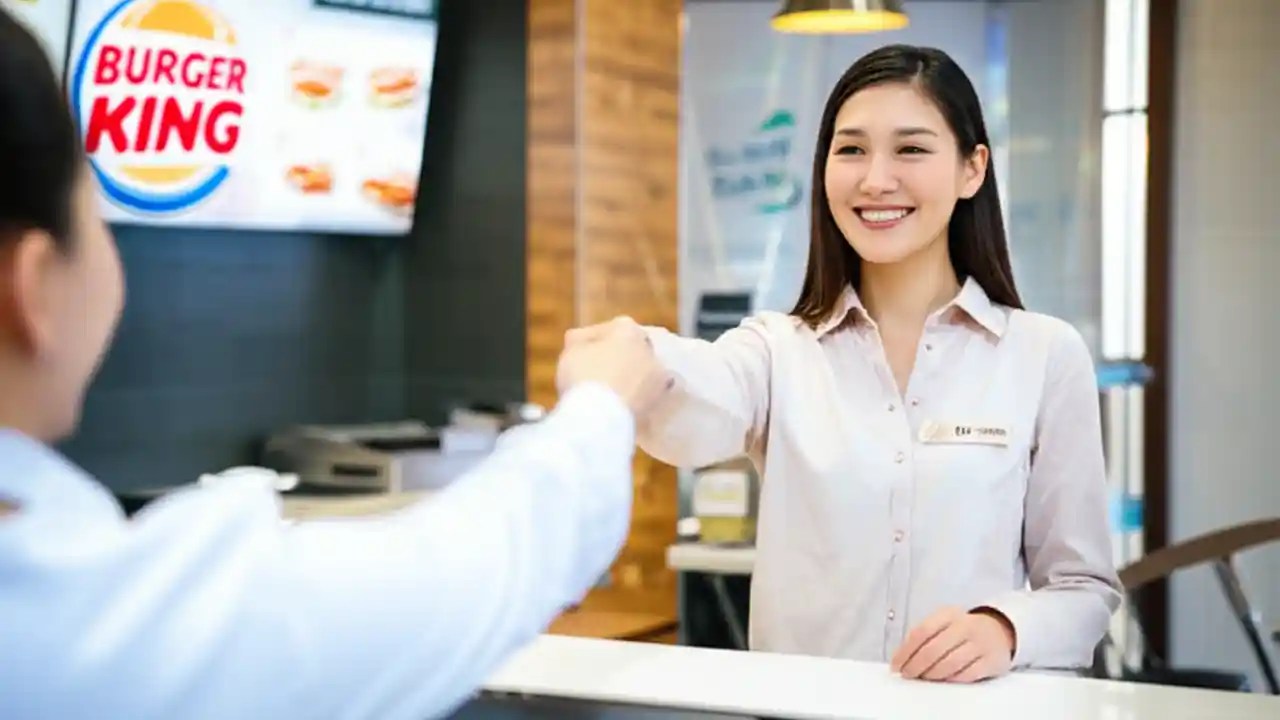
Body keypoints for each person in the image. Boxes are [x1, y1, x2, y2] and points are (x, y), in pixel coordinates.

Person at [0, 10, 670, 719]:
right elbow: (471, 565)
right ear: (36, 285)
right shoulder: (97, 628)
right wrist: (601, 405)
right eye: (95, 211)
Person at [568, 44, 1122, 683]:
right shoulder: (777, 351)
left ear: (973, 169)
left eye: (910, 149)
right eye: (851, 149)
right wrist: (635, 354)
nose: (875, 180)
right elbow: (701, 401)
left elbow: (1083, 590)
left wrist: (1003, 628)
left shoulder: (1044, 354)